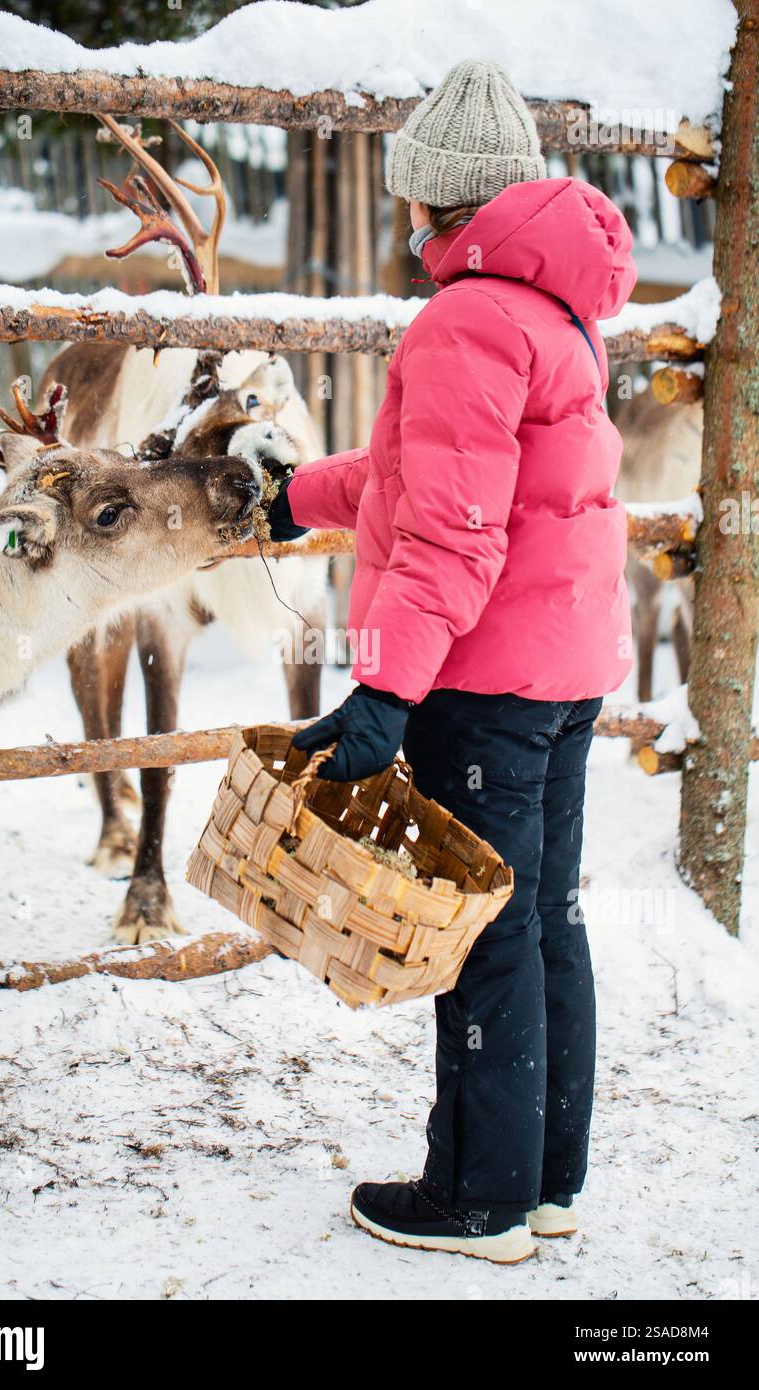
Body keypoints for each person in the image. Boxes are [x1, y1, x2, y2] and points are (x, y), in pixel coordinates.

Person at [267, 59, 637, 1264]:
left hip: (482, 681)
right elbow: (433, 479)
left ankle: (474, 1198)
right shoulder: (549, 312)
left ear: (433, 198)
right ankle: (542, 1180)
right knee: (543, 918)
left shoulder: (466, 316)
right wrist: (295, 498)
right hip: (562, 665)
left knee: (481, 931)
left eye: (408, 198)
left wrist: (384, 685)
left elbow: (447, 531)